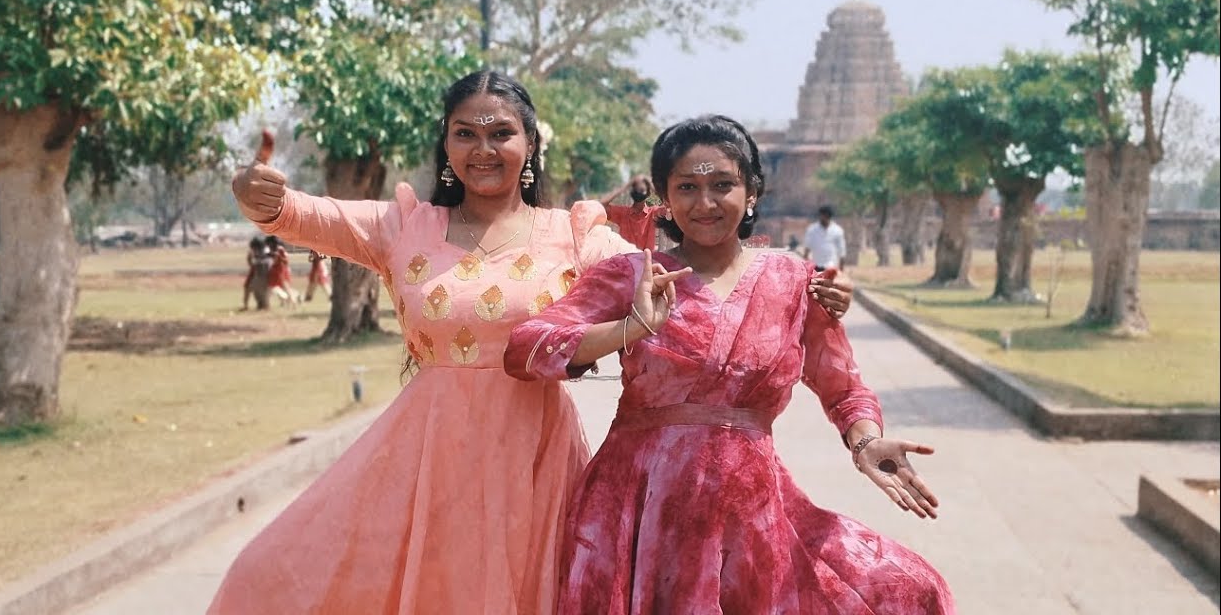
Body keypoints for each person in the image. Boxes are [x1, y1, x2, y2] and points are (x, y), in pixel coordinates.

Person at [210, 74, 856, 615]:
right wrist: (258, 196)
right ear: (445, 144)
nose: (483, 149)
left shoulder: (572, 236)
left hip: (536, 460)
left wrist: (799, 290)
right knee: (290, 573)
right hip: (422, 456)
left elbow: (685, 279)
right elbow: (301, 215)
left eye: (501, 133)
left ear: (529, 144)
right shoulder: (404, 226)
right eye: (465, 133)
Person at [504, 115, 954, 614]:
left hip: (751, 516)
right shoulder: (634, 276)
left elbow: (844, 388)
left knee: (907, 589)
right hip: (638, 507)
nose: (705, 203)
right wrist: (631, 327)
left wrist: (866, 440)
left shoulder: (795, 282)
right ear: (664, 197)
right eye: (687, 187)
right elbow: (525, 349)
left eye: (722, 185)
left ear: (752, 191)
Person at [598, 174, 664, 252]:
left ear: (648, 193)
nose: (638, 192)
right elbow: (600, 205)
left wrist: (651, 184)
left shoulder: (653, 212)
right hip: (625, 257)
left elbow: (670, 205)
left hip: (646, 257)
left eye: (641, 190)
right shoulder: (623, 213)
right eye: (635, 189)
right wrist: (625, 186)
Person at [802, 203, 847, 271]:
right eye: (821, 215)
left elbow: (842, 250)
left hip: (831, 267)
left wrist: (841, 267)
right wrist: (805, 266)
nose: (822, 217)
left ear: (828, 216)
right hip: (816, 266)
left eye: (824, 215)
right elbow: (807, 248)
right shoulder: (812, 229)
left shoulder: (837, 230)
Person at [264, 234, 299, 307]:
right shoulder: (272, 250)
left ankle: (292, 301)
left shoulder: (280, 249)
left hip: (280, 271)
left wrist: (278, 257)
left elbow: (286, 261)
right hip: (275, 270)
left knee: (281, 287)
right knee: (275, 287)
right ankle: (291, 301)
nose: (269, 245)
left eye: (270, 243)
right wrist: (272, 255)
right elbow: (269, 256)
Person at [241, 236, 268, 310]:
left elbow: (259, 264)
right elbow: (252, 264)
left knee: (259, 291)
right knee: (250, 289)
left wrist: (250, 259)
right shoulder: (258, 252)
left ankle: (263, 305)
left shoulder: (264, 253)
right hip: (256, 273)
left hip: (261, 274)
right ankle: (251, 305)